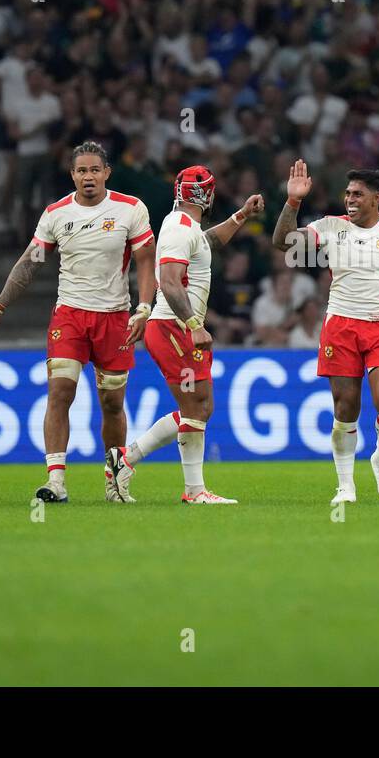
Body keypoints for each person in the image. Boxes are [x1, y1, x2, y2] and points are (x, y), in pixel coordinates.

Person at [0, 141, 156, 503]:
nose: (88, 177)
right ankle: (56, 481)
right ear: (72, 175)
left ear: (107, 173)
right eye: (81, 171)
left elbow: (145, 260)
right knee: (60, 393)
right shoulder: (56, 214)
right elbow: (30, 263)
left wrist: (143, 309)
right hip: (70, 315)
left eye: (94, 170)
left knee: (112, 403)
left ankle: (115, 480)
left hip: (115, 317)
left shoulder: (130, 209)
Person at [272, 161, 379, 505]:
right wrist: (293, 201)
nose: (350, 199)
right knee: (345, 407)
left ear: (376, 198)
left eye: (358, 194)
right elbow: (283, 242)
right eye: (348, 193)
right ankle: (345, 486)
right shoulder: (330, 226)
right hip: (341, 326)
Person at [108, 166, 264, 504]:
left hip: (174, 327)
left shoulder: (185, 226)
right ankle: (187, 488)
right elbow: (168, 282)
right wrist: (195, 325)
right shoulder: (180, 227)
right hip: (173, 327)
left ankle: (128, 460)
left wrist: (241, 215)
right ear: (207, 194)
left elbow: (208, 242)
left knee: (200, 406)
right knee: (197, 406)